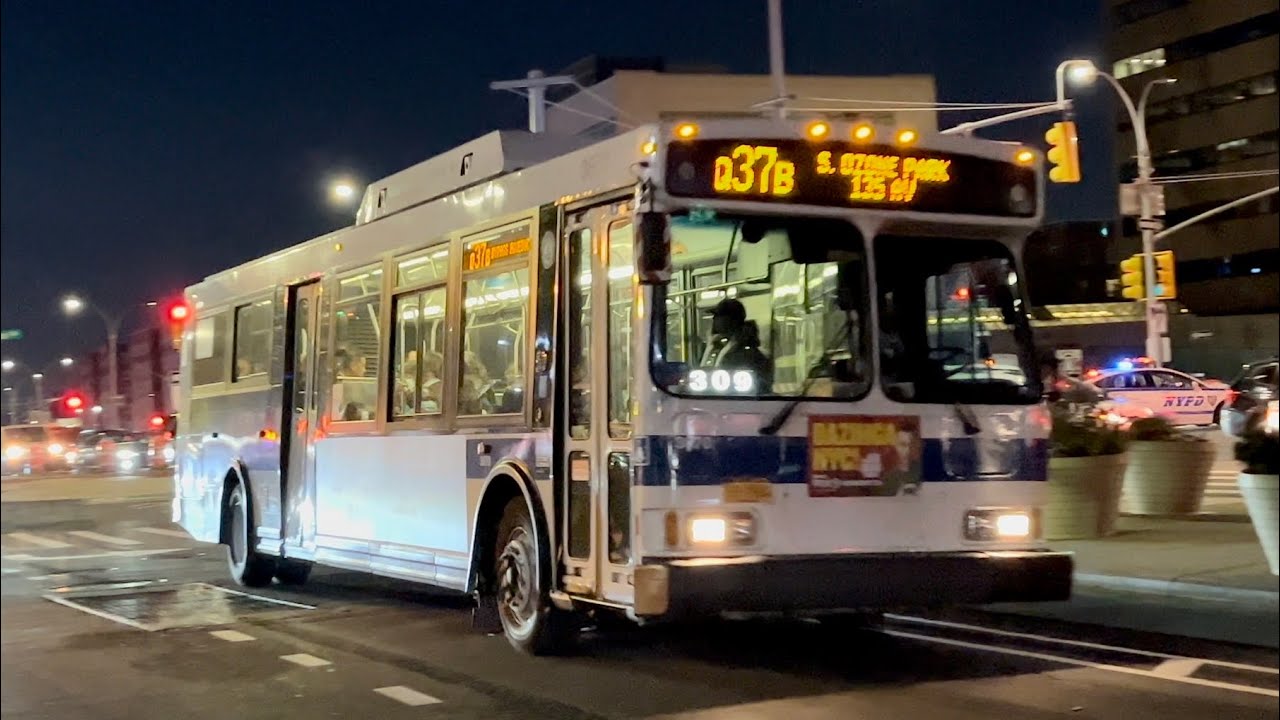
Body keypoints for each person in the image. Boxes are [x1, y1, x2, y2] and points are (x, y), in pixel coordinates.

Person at [700, 298, 773, 392]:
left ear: (730, 320)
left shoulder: (748, 353)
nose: (714, 319)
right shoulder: (715, 347)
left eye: (718, 316)